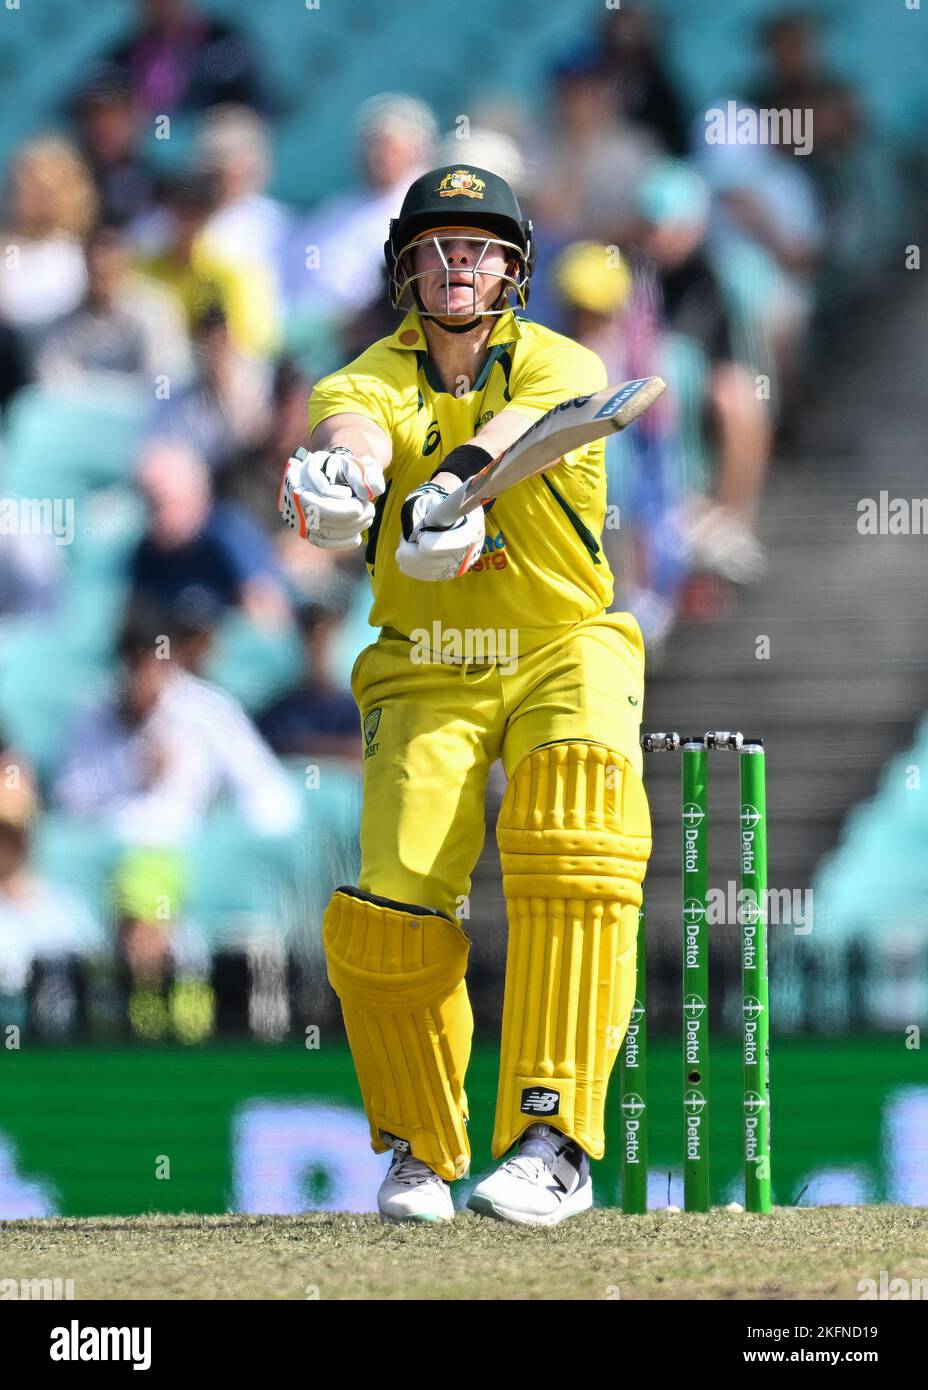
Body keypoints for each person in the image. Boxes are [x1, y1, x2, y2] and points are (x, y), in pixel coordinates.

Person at [279, 164, 654, 1225]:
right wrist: (339, 480)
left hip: (562, 643)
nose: (459, 262)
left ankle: (551, 1141)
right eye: (439, 244)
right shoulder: (361, 378)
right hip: (427, 657)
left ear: (515, 267)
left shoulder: (560, 358)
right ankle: (415, 1152)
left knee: (576, 824)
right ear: (407, 263)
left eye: (481, 245)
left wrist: (458, 481)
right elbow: (355, 430)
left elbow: (535, 424)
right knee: (394, 903)